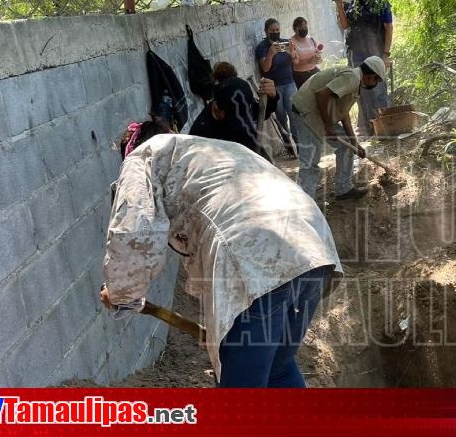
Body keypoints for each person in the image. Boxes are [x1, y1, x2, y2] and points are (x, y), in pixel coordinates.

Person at [100, 129, 342, 388]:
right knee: (278, 370)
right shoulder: (212, 149)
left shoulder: (141, 157)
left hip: (257, 259)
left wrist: (121, 294)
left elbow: (133, 231)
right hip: (313, 247)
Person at [289, 56, 387, 200]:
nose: (376, 84)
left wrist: (354, 143)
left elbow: (343, 113)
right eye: (376, 80)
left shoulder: (355, 81)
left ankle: (344, 188)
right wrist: (328, 126)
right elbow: (321, 95)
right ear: (371, 76)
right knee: (310, 163)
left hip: (318, 112)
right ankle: (305, 203)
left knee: (346, 145)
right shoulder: (352, 78)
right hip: (307, 112)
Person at [334, 0, 393, 136]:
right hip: (357, 56)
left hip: (375, 54)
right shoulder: (353, 3)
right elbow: (345, 26)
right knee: (363, 94)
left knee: (379, 92)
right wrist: (339, 4)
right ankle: (371, 130)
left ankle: (386, 130)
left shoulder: (380, 2)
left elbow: (389, 27)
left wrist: (386, 54)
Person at [189, 62, 277, 159]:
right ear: (216, 109)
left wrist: (272, 97)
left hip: (251, 157)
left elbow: (262, 114)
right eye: (236, 119)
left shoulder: (241, 101)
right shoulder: (201, 135)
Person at [255, 18, 298, 153]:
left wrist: (292, 53)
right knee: (281, 117)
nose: (275, 32)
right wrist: (271, 53)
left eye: (277, 30)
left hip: (289, 83)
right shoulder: (262, 48)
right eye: (272, 30)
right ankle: (289, 146)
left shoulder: (285, 43)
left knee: (293, 114)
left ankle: (298, 144)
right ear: (266, 31)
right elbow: (265, 68)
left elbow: (296, 61)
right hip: (275, 88)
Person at [290, 17, 322, 89]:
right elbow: (294, 61)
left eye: (305, 26)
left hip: (314, 71)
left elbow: (318, 56)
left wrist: (318, 59)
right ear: (296, 28)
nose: (304, 28)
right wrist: (308, 62)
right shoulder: (291, 42)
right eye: (301, 27)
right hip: (300, 75)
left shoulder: (311, 39)